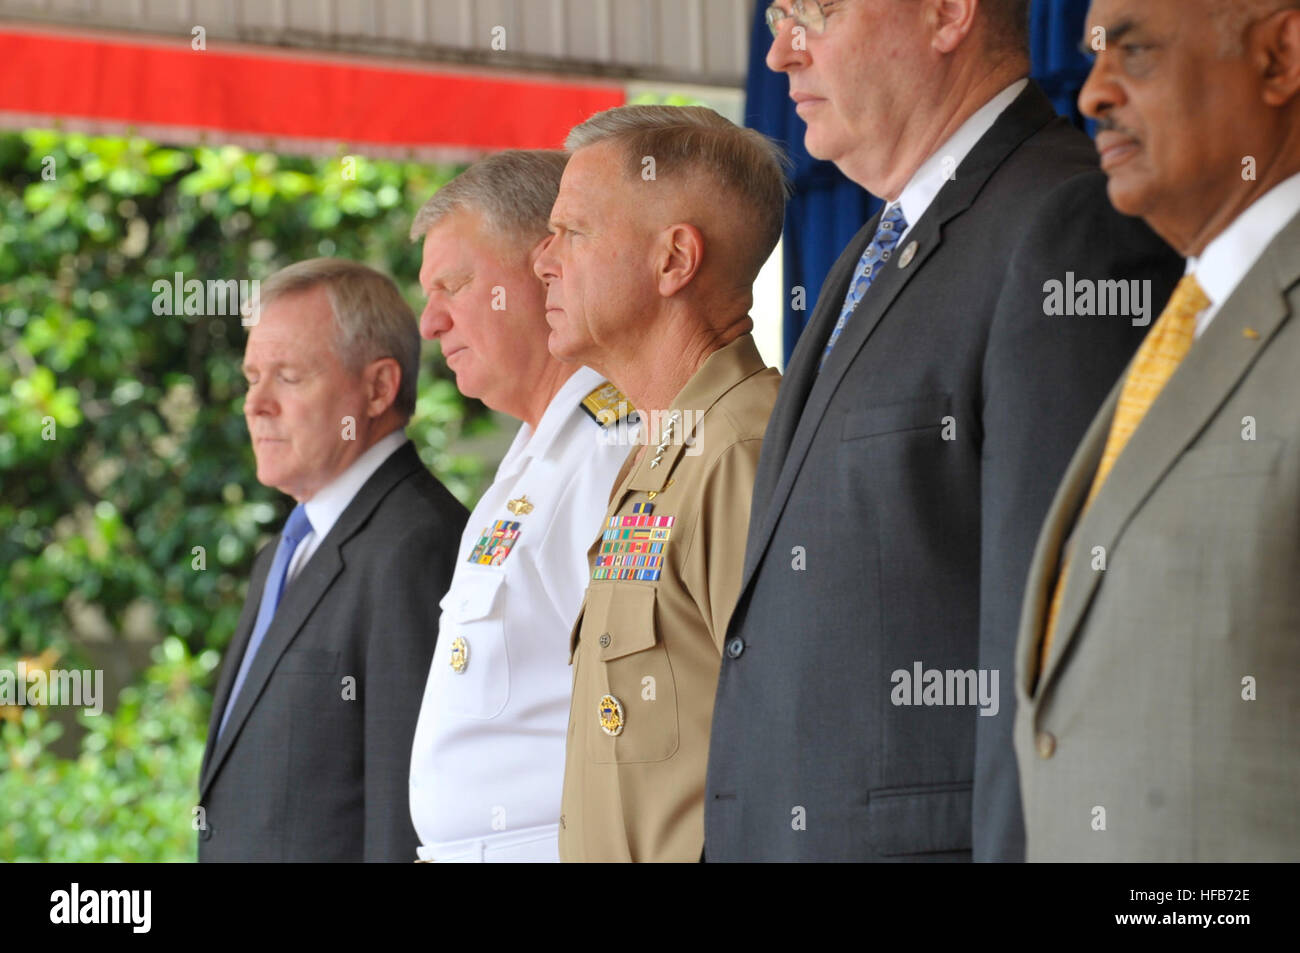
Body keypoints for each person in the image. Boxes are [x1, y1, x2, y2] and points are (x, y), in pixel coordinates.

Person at [705, 0, 1184, 862]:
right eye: (777, 17)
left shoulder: (1072, 221)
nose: (779, 53)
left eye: (814, 13)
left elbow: (1057, 641)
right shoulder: (868, 250)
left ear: (946, 14)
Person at [1015, 0, 1300, 861]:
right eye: (1094, 58)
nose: (1093, 94)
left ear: (1281, 57)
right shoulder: (1187, 320)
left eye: (1132, 51)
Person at [533, 104, 786, 862]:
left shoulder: (741, 449)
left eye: (572, 232)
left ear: (674, 260)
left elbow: (793, 756)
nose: (543, 260)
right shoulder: (662, 449)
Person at [406, 151, 634, 863]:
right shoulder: (533, 456)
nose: (430, 321)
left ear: (546, 269)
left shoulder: (610, 449)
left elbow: (638, 709)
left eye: (455, 284)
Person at [198, 258, 467, 862]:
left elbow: (408, 823)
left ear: (377, 389)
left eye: (288, 377)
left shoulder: (415, 547)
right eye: (252, 377)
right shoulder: (284, 551)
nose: (256, 404)